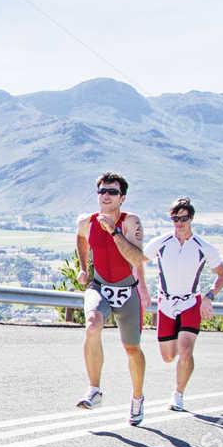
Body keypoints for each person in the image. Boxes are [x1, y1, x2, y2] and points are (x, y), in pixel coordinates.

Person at [73, 172, 150, 425]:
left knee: (132, 349)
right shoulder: (86, 221)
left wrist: (114, 231)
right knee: (93, 323)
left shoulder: (130, 222)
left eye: (112, 192)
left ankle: (137, 397)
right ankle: (94, 389)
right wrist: (84, 268)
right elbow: (81, 239)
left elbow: (137, 259)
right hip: (100, 286)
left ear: (122, 197)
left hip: (127, 292)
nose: (106, 195)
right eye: (102, 191)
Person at [142, 197, 223, 412]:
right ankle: (180, 371)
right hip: (166, 304)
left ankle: (178, 394)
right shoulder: (160, 243)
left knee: (186, 350)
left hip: (191, 302)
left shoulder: (203, 247)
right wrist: (142, 289)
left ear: (191, 218)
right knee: (168, 356)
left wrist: (209, 296)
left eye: (183, 218)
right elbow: (137, 262)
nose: (179, 223)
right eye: (175, 218)